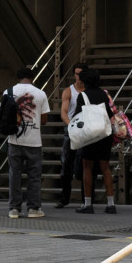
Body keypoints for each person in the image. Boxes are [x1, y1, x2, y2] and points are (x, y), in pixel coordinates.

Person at [3, 66, 49, 219]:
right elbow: (44, 120)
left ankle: (14, 209)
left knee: (14, 175)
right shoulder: (40, 93)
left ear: (18, 78)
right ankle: (33, 209)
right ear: (32, 78)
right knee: (34, 176)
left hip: (14, 140)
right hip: (34, 142)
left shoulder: (8, 92)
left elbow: (3, 114)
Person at [74, 67, 119, 214]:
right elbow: (109, 113)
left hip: (90, 136)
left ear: (85, 80)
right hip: (104, 134)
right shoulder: (103, 94)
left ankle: (88, 204)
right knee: (105, 167)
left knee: (88, 167)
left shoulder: (82, 96)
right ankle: (110, 203)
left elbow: (77, 117)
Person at [55, 63, 86, 208]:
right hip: (72, 130)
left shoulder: (89, 90)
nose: (78, 77)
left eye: (80, 74)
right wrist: (70, 126)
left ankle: (85, 199)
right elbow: (64, 112)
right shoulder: (69, 91)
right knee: (66, 164)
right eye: (76, 74)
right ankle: (64, 198)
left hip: (87, 130)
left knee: (84, 165)